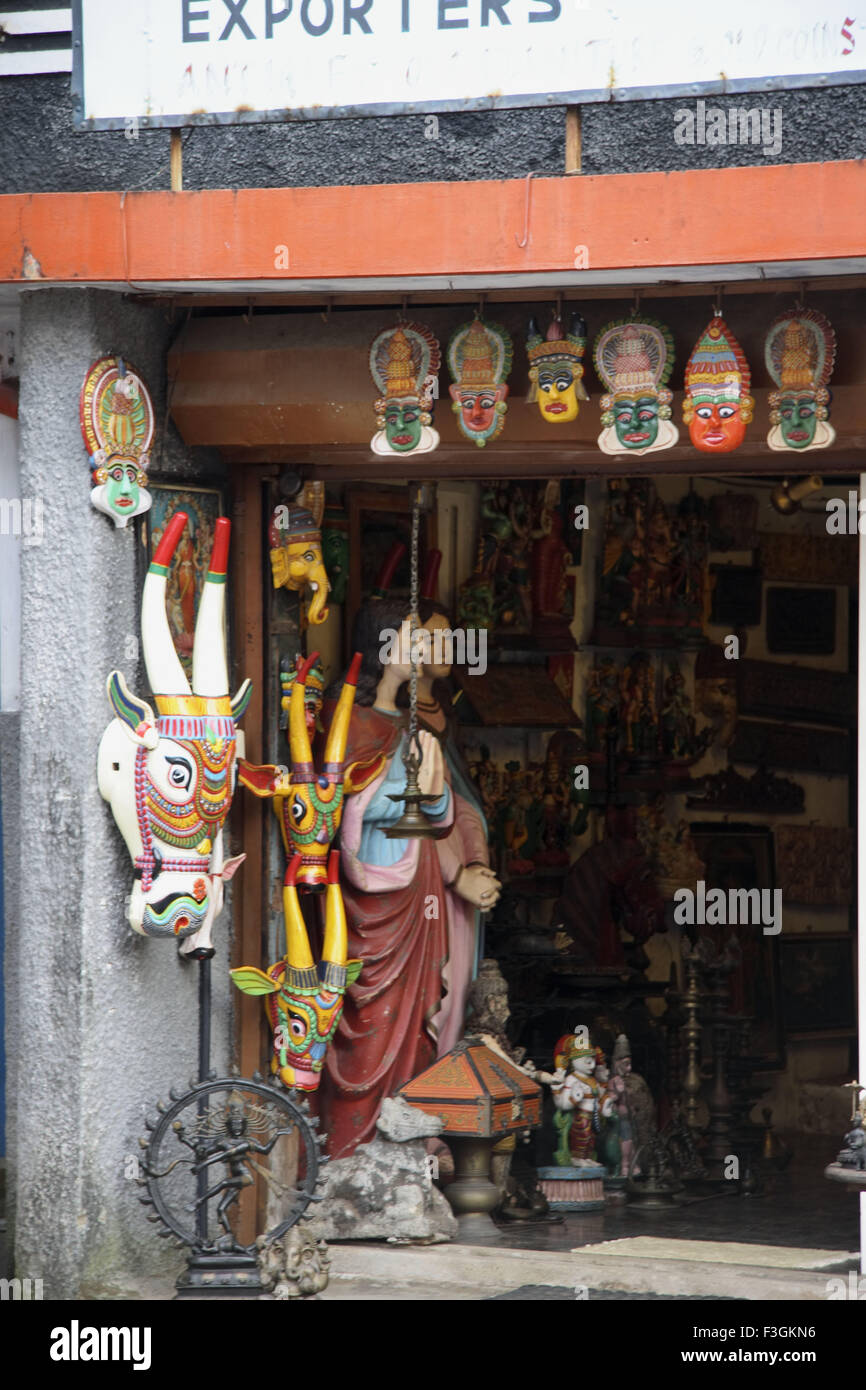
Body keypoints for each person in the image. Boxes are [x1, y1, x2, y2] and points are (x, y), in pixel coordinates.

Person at [317, 586, 499, 1158]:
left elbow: (441, 811)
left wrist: (430, 783)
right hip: (376, 894)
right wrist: (406, 787)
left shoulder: (414, 724)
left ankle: (408, 1141)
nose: (423, 647)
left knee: (423, 1011)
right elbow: (344, 805)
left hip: (421, 893)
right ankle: (352, 1150)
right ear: (385, 645)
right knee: (373, 1015)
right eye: (414, 636)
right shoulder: (353, 721)